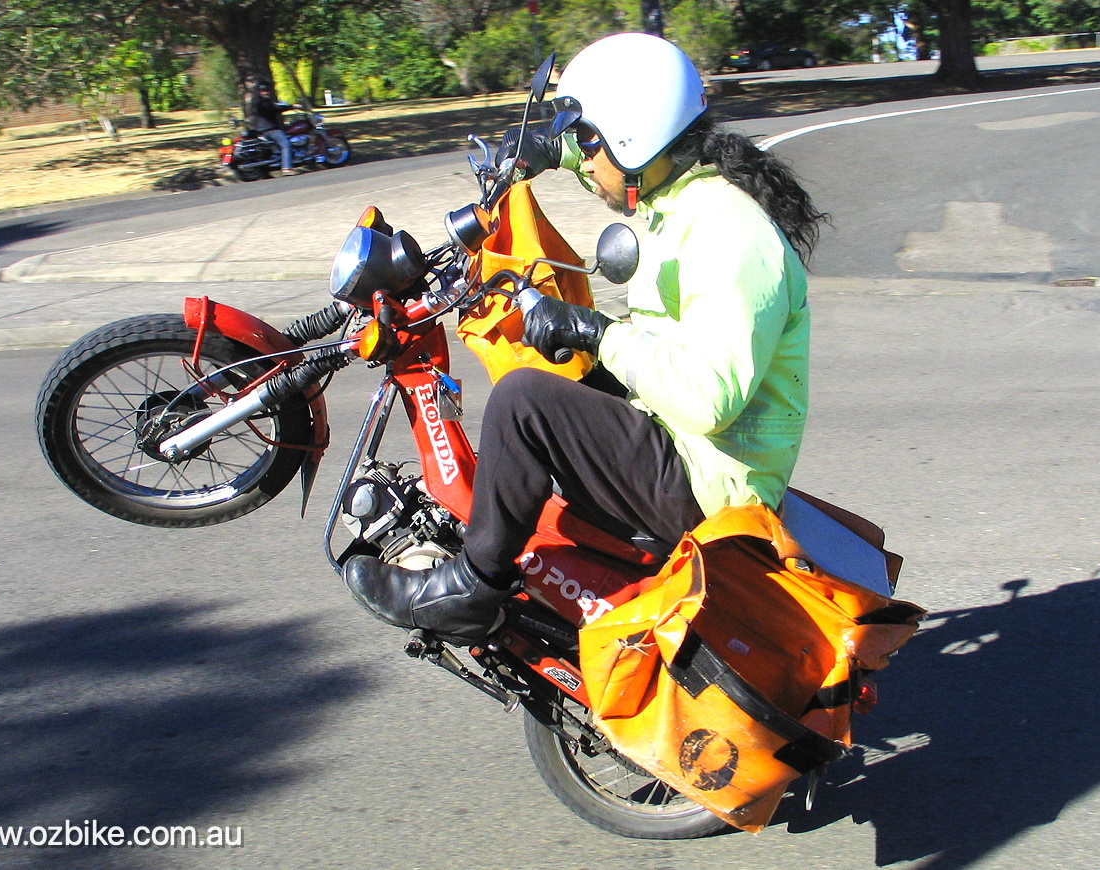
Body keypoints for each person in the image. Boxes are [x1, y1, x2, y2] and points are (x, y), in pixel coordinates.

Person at [343, 33, 828, 644]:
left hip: (712, 486)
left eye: (589, 140)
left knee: (524, 403)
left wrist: (596, 331)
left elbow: (709, 397)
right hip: (687, 448)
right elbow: (602, 162)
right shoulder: (685, 200)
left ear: (634, 137)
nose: (584, 158)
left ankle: (473, 585)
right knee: (561, 383)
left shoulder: (729, 233)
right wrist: (550, 150)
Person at [246, 79, 294, 175]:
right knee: (286, 144)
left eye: (267, 90)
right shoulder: (262, 102)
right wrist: (291, 106)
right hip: (269, 129)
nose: (266, 92)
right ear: (259, 92)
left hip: (259, 129)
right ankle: (286, 168)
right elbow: (274, 108)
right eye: (263, 90)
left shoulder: (254, 102)